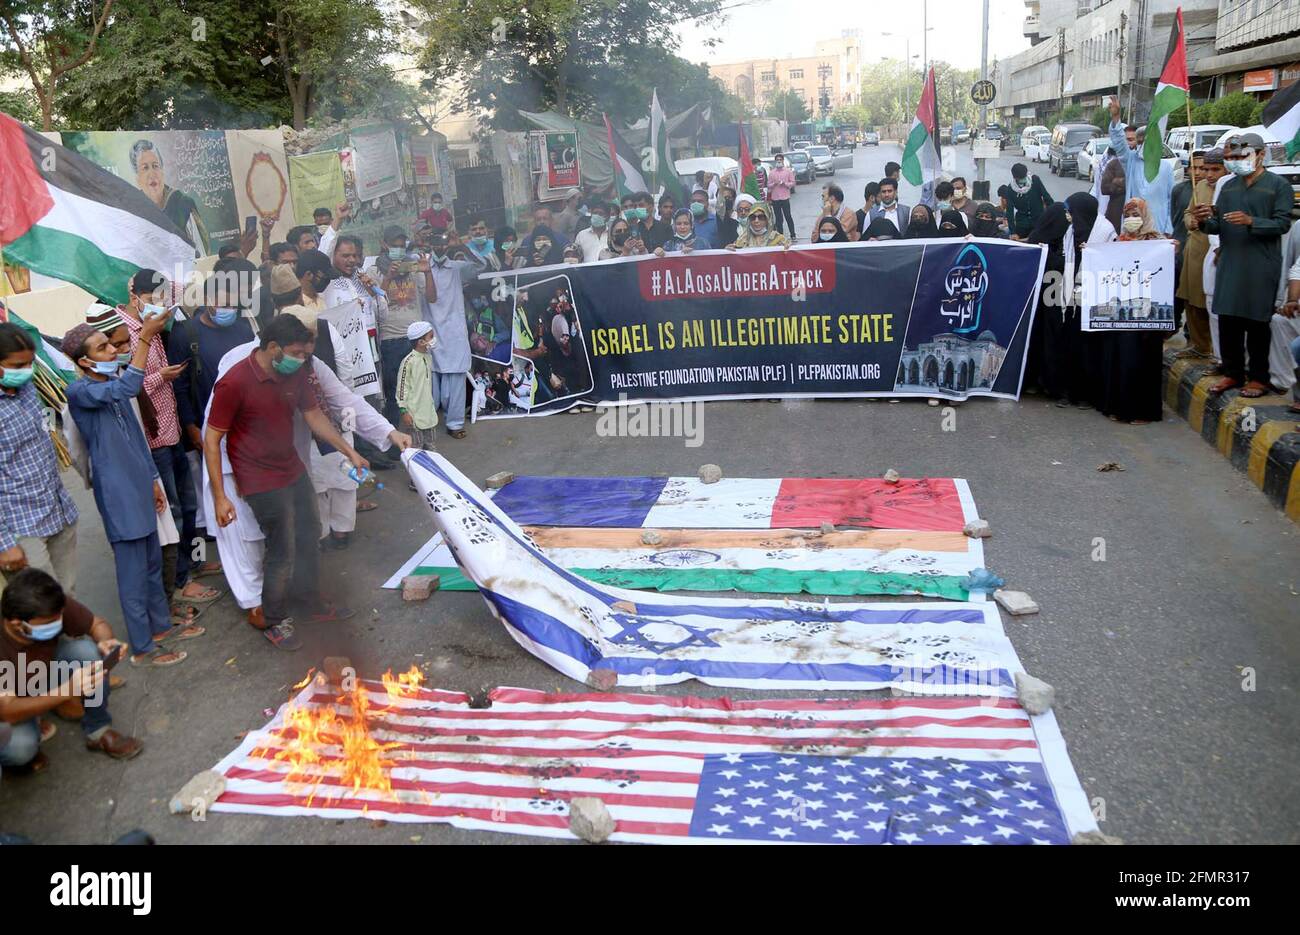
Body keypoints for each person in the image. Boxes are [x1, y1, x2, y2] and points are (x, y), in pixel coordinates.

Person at [204, 314, 364, 650]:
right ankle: (274, 619)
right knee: (282, 548)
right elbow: (212, 438)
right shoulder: (234, 382)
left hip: (292, 468)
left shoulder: (297, 373)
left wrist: (348, 450)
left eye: (305, 353)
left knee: (310, 534)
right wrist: (220, 496)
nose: (302, 359)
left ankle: (309, 603)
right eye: (296, 352)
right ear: (272, 346)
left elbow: (314, 415)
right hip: (258, 478)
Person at [62, 318, 199, 666]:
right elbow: (126, 389)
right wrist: (145, 340)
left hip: (140, 484)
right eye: (103, 347)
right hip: (118, 494)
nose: (112, 350)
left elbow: (138, 439)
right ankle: (143, 647)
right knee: (133, 572)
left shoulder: (110, 380)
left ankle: (161, 628)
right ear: (84, 362)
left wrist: (153, 479)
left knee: (153, 562)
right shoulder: (81, 392)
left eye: (112, 345)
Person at [119, 271, 217, 614]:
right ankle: (178, 584)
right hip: (153, 438)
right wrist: (161, 376)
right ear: (136, 296)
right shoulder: (125, 334)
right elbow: (123, 389)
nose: (161, 305)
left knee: (189, 505)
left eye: (164, 299)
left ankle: (195, 563)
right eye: (155, 298)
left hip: (173, 429)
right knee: (172, 511)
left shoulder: (157, 328)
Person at [1, 568, 145, 772]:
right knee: (20, 749)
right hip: (9, 704)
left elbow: (97, 624)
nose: (59, 622)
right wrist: (68, 690)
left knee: (87, 654)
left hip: (41, 674)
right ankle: (33, 727)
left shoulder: (51, 605)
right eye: (49, 623)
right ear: (17, 624)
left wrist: (106, 642)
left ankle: (98, 729)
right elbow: (7, 710)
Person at [1191, 132, 1294, 398]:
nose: (1237, 161)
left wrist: (1252, 222)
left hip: (1261, 264)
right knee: (1228, 320)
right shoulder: (1230, 186)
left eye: (1241, 156)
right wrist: (1204, 220)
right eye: (1232, 157)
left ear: (1260, 155)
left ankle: (1259, 377)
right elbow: (1219, 224)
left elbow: (1282, 223)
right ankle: (1233, 373)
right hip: (1230, 261)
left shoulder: (1276, 185)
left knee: (1257, 321)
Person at [0, 324, 79, 597]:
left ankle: (75, 637)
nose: (26, 370)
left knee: (67, 596)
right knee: (41, 605)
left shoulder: (26, 391)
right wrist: (4, 544)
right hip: (21, 527)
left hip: (57, 510)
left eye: (29, 363)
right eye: (17, 365)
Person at [1089, 197, 1170, 425]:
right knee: (1120, 357)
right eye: (1129, 215)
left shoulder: (1157, 241)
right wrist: (1092, 253)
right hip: (1121, 312)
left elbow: (1165, 272)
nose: (1132, 220)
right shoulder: (1119, 240)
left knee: (1141, 360)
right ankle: (1118, 406)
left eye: (1137, 215)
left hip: (1147, 314)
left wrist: (1171, 253)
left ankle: (1143, 411)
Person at [376, 227, 435, 428]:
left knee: (420, 389)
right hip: (391, 339)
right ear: (384, 245)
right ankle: (394, 443)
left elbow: (432, 297)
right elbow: (376, 303)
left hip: (416, 339)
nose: (398, 250)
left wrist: (427, 273)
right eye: (394, 246)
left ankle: (422, 435)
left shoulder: (412, 267)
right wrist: (388, 277)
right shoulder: (374, 270)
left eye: (402, 246)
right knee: (395, 394)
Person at [422, 231, 480, 438]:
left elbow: (482, 266)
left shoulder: (456, 268)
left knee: (455, 378)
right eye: (435, 241)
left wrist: (462, 247)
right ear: (429, 243)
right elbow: (429, 297)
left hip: (454, 330)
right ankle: (428, 422)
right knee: (431, 380)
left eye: (443, 242)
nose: (440, 246)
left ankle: (454, 424)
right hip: (430, 330)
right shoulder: (421, 267)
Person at [1175, 149, 1223, 360]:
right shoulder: (1200, 186)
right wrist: (1190, 221)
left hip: (1213, 252)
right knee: (1190, 300)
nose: (1208, 174)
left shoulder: (1228, 189)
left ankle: (1213, 349)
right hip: (1194, 249)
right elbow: (1188, 212)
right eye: (1205, 169)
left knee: (1209, 303)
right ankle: (1199, 345)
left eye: (1214, 169)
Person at [130, 139, 210, 257]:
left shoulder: (183, 204)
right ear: (137, 178)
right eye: (145, 168)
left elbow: (201, 252)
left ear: (162, 171)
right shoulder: (133, 211)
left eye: (155, 166)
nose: (152, 174)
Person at [1107, 97, 1174, 234]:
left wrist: (1168, 230)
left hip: (1159, 227)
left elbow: (1171, 201)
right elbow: (1120, 143)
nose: (1142, 146)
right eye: (1140, 142)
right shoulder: (1132, 160)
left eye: (1146, 142)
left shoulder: (1166, 167)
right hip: (1134, 227)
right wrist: (1115, 117)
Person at [396, 321, 439, 450]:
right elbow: (402, 388)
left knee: (431, 448)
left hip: (428, 413)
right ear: (420, 342)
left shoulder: (427, 357)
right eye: (431, 337)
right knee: (416, 449)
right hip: (414, 415)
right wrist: (404, 411)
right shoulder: (408, 362)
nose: (433, 340)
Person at [1007, 163, 1053, 240]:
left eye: (1024, 177)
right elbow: (1009, 211)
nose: (1023, 179)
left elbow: (1047, 198)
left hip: (1039, 222)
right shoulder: (1011, 188)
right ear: (1015, 178)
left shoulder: (1035, 180)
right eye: (1020, 178)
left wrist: (1051, 217)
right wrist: (1013, 232)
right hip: (1022, 225)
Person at [767, 154, 797, 237]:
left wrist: (785, 184)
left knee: (788, 216)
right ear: (775, 161)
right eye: (777, 160)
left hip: (785, 198)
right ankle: (780, 236)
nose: (779, 161)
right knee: (778, 219)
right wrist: (774, 184)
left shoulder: (788, 171)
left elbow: (793, 183)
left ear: (783, 161)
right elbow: (768, 185)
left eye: (780, 159)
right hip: (775, 198)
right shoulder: (772, 172)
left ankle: (793, 234)